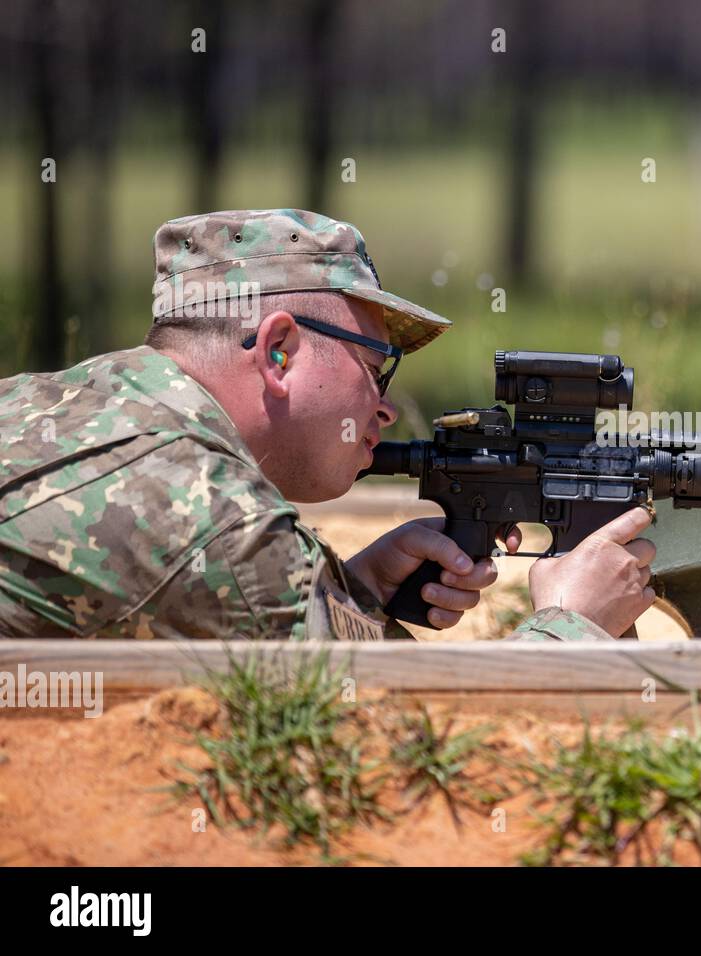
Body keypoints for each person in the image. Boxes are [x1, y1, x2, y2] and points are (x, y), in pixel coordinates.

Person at [0, 209, 656, 642]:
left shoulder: (37, 401)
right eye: (377, 368)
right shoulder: (211, 519)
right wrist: (571, 626)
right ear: (280, 350)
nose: (386, 407)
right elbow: (392, 748)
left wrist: (356, 594)